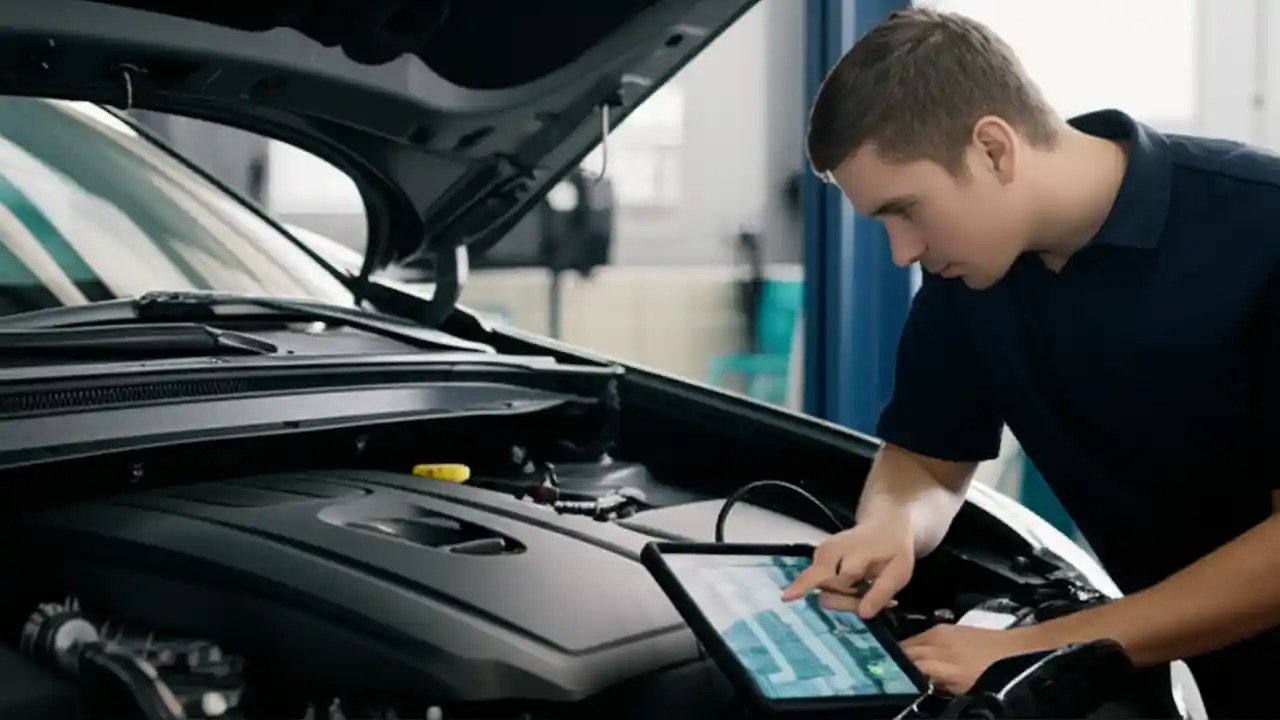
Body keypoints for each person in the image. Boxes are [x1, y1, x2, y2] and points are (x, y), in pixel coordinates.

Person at [779, 8, 1280, 718]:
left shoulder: (1264, 228)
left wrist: (1040, 647)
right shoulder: (971, 279)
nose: (902, 251)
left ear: (993, 149)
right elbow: (925, 458)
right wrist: (892, 525)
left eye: (907, 211)